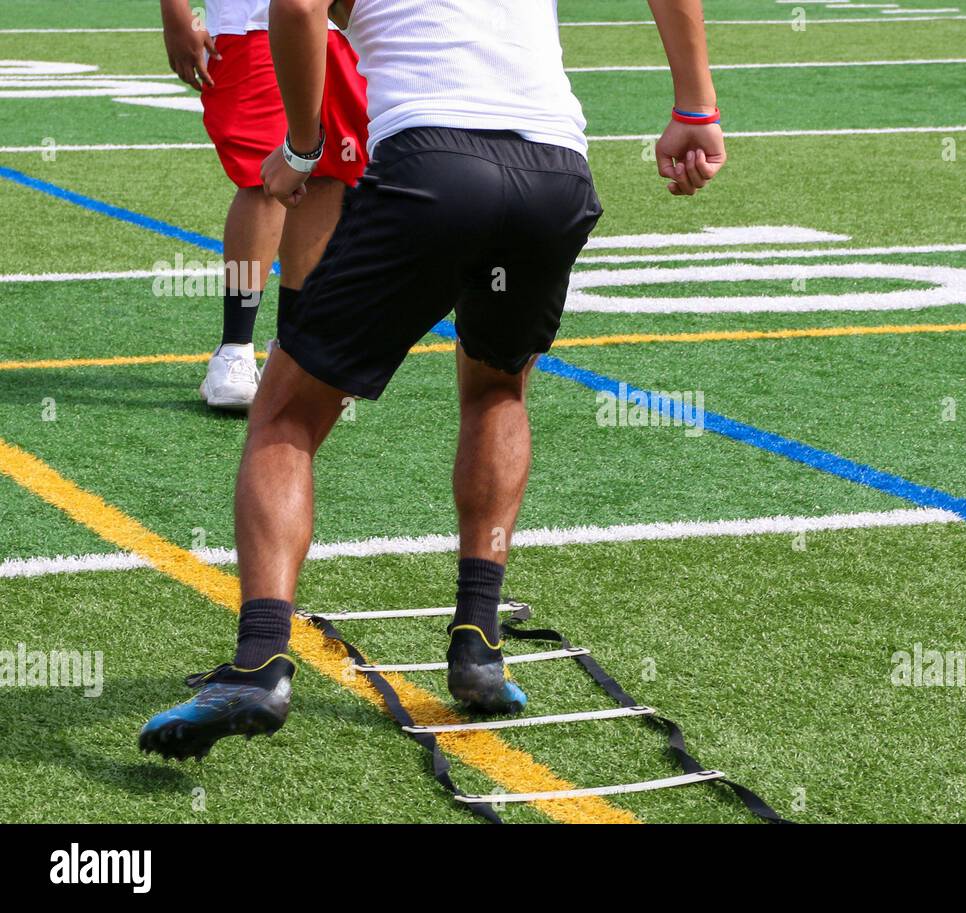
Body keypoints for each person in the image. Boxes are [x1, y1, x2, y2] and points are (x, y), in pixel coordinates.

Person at [140, 0, 725, 761]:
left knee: (284, 417)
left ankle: (258, 662)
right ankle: (478, 640)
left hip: (433, 162)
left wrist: (305, 145)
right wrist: (695, 107)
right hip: (555, 167)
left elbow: (295, 7)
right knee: (498, 390)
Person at [159, 0, 368, 411]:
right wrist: (176, 11)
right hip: (254, 19)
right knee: (263, 176)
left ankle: (294, 352)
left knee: (327, 175)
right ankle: (234, 349)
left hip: (345, 22)